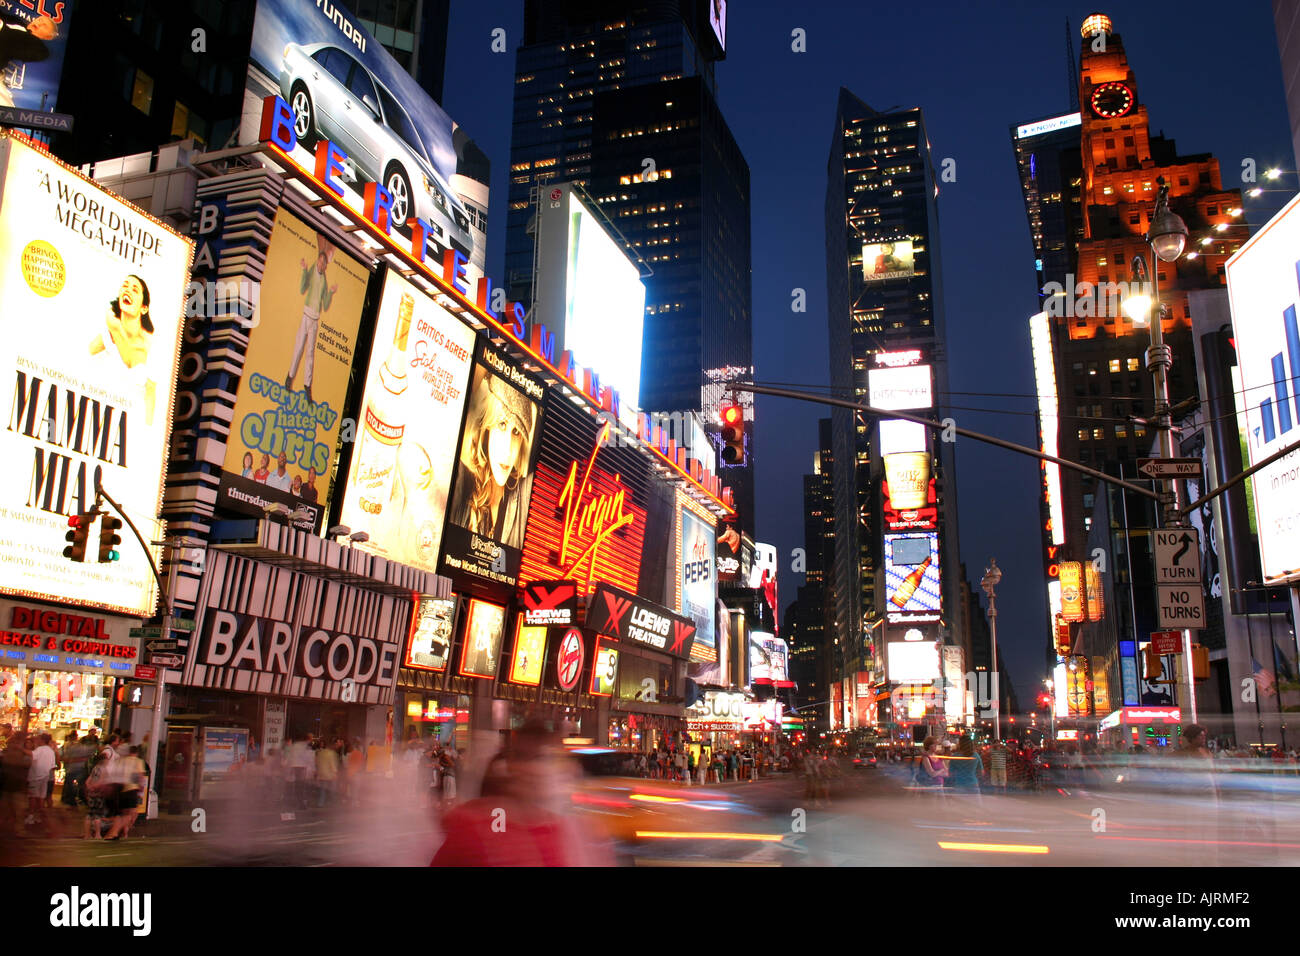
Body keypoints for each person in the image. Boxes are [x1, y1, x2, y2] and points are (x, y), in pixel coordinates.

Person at [431, 720, 610, 866]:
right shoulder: (475, 827)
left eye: (551, 760)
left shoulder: (568, 833)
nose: (542, 770)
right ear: (513, 766)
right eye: (535, 759)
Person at [447, 372, 538, 551]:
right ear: (487, 428)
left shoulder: (525, 495)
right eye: (502, 425)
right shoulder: (461, 481)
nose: (508, 449)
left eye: (516, 433)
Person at [90, 274, 157, 425]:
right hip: (99, 410)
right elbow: (85, 354)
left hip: (130, 422)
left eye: (135, 289)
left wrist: (147, 428)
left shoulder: (149, 344)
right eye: (125, 286)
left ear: (144, 308)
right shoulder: (111, 329)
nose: (128, 290)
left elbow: (151, 394)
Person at [286, 237, 338, 404]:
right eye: (321, 262)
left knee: (309, 353)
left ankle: (307, 386)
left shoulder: (324, 280)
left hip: (315, 319)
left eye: (324, 264)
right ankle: (290, 377)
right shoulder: (311, 273)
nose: (322, 266)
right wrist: (303, 270)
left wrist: (331, 292)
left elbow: (325, 304)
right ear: (318, 261)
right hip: (306, 315)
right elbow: (302, 288)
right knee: (298, 347)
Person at [0, 14, 56, 109]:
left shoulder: (34, 45)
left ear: (48, 37)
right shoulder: (15, 21)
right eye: (39, 19)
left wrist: (2, 27)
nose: (39, 23)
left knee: (8, 114)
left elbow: (40, 53)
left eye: (44, 25)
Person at [103, 746, 147, 839]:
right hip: (132, 787)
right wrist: (140, 787)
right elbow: (140, 775)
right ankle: (114, 832)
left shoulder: (121, 760)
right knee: (130, 813)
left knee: (122, 813)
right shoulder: (138, 761)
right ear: (137, 753)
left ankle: (123, 832)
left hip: (120, 788)